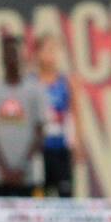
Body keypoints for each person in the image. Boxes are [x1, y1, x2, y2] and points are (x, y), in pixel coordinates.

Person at [0, 34, 44, 197]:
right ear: (1, 57)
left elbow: (41, 130)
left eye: (15, 53)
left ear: (22, 57)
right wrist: (4, 168)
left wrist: (23, 167)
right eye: (7, 53)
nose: (11, 58)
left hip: (28, 177)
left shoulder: (35, 90)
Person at [35, 34, 85, 197]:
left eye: (55, 50)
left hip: (61, 147)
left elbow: (75, 112)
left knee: (65, 194)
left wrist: (78, 142)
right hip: (38, 149)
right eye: (48, 50)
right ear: (37, 53)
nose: (53, 55)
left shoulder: (66, 81)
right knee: (41, 195)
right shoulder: (31, 83)